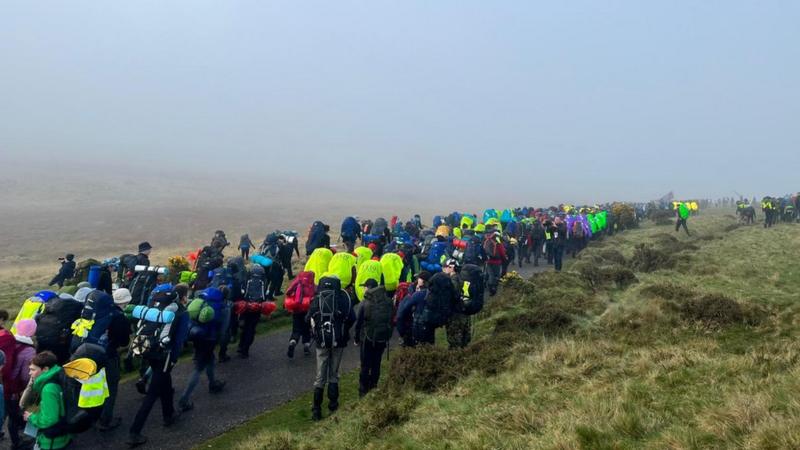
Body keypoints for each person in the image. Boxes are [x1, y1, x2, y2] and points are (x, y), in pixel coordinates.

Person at [128, 289, 190, 447]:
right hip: (165, 355)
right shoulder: (181, 313)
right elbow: (179, 340)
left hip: (149, 352)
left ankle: (169, 414)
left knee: (165, 382)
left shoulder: (153, 310)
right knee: (152, 394)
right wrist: (174, 359)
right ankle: (134, 431)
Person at [306, 277, 355, 421]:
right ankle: (333, 406)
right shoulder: (343, 298)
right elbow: (352, 317)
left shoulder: (317, 298)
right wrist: (344, 330)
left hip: (321, 342)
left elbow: (307, 318)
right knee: (334, 374)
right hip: (338, 341)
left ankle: (316, 411)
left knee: (320, 377)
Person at [178, 288, 226, 412]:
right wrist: (221, 340)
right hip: (209, 338)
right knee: (198, 368)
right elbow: (222, 326)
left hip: (197, 334)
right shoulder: (220, 305)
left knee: (209, 360)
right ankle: (184, 399)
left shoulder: (201, 299)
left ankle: (213, 383)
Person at [96, 288, 133, 432]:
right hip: (109, 355)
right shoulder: (119, 317)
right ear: (126, 301)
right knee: (111, 388)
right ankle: (105, 420)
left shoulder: (102, 310)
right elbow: (124, 342)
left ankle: (95, 415)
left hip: (94, 352)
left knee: (98, 387)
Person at [24, 351, 71, 450]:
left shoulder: (48, 389)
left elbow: (49, 419)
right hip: (63, 433)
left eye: (33, 370)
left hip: (52, 442)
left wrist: (31, 417)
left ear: (45, 369)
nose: (29, 373)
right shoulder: (58, 373)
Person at [354, 280, 393, 397]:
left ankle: (363, 390)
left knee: (365, 365)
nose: (363, 289)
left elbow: (358, 323)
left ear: (368, 288)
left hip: (367, 338)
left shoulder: (365, 302)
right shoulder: (387, 301)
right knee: (376, 363)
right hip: (382, 337)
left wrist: (356, 338)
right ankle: (374, 386)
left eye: (364, 287)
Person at [6, 319, 36, 450]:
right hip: (15, 389)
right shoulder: (29, 351)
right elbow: (26, 375)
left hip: (4, 384)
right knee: (15, 414)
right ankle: (17, 442)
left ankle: (15, 439)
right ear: (33, 332)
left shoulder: (9, 343)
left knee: (9, 414)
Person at [395, 271, 430, 347]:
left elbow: (401, 313)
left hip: (417, 325)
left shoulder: (418, 294)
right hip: (414, 326)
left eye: (419, 278)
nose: (417, 279)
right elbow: (401, 314)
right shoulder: (428, 292)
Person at [443, 259, 470, 349]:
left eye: (445, 267)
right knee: (464, 340)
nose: (443, 269)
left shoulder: (453, 280)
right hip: (465, 312)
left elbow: (452, 296)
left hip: (455, 314)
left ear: (451, 268)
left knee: (454, 342)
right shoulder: (462, 278)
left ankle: (456, 360)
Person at [483, 231, 507, 296]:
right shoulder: (498, 243)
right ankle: (493, 288)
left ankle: (488, 285)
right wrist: (504, 259)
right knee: (496, 275)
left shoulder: (487, 241)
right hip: (496, 261)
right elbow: (502, 253)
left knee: (490, 274)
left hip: (488, 261)